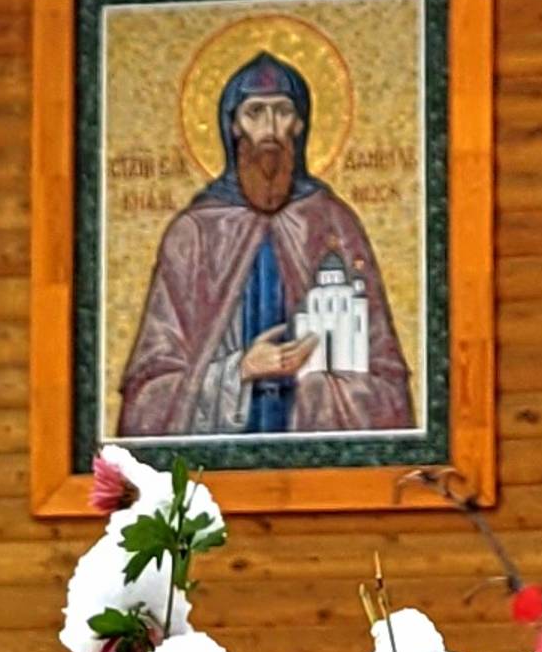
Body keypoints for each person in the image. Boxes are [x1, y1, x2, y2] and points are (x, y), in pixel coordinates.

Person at [115, 54, 415, 441]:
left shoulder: (334, 223)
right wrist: (240, 370)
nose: (270, 128)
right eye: (255, 112)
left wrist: (319, 382)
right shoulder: (193, 234)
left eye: (283, 111)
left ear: (300, 124)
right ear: (234, 125)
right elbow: (150, 387)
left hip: (311, 441)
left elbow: (383, 371)